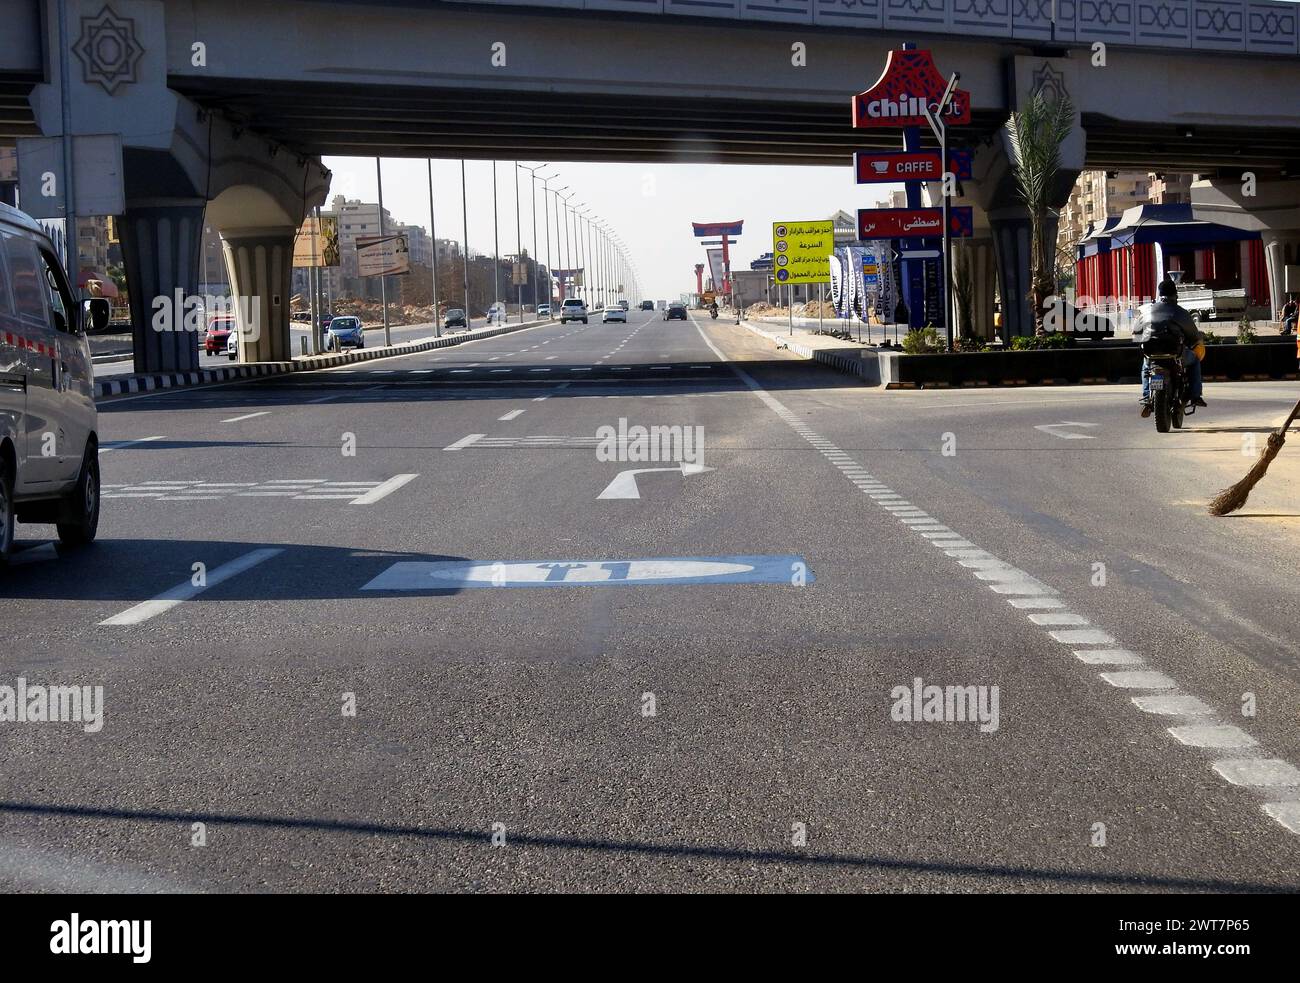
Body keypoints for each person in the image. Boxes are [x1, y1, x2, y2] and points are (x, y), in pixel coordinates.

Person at [1136, 278, 1205, 416]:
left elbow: (1136, 334)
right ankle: (1195, 395)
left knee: (1146, 367)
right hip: (1175, 354)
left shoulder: (1147, 311)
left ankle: (1146, 398)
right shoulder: (1180, 312)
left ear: (1159, 294)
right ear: (1175, 294)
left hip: (1151, 354)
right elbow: (1193, 336)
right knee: (1195, 360)